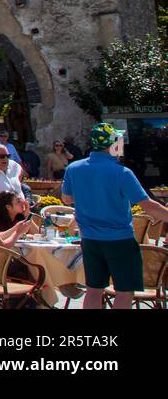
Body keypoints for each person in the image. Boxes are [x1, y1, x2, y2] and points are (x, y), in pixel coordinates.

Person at [62, 122, 168, 309]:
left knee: (93, 289)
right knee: (124, 291)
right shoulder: (122, 172)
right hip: (120, 240)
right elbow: (147, 205)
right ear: (112, 144)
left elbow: (67, 199)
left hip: (90, 239)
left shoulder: (74, 168)